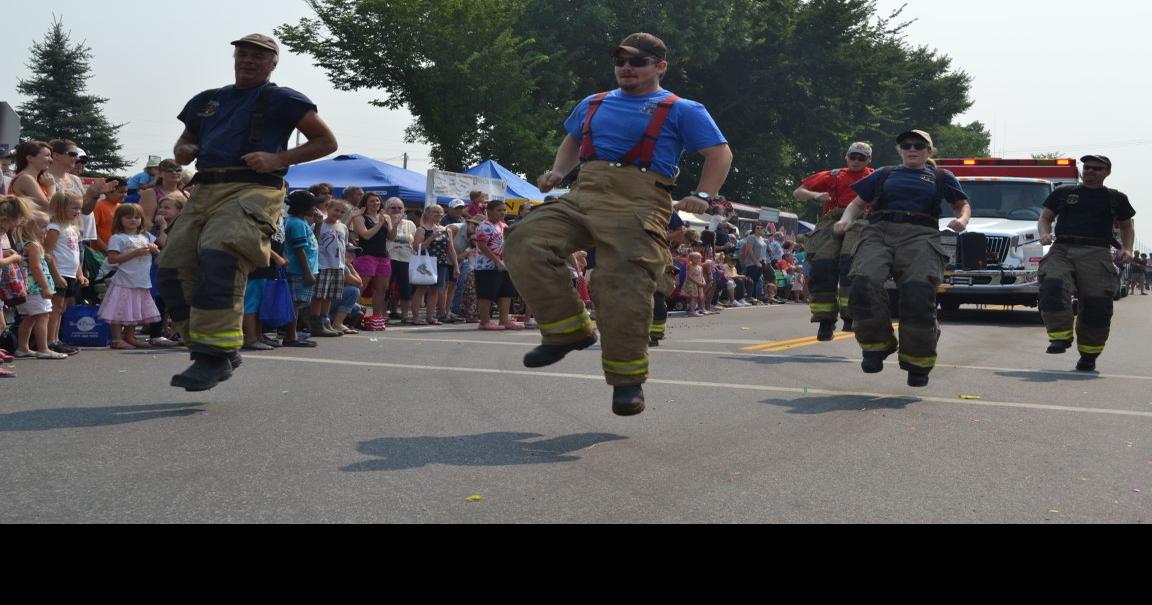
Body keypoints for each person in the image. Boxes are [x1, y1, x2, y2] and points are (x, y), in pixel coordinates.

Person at [506, 32, 732, 416]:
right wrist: (558, 173)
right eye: (620, 60)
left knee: (621, 284)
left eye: (638, 62)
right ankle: (567, 331)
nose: (627, 68)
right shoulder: (593, 102)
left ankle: (626, 381)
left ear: (659, 67)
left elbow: (719, 154)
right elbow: (572, 141)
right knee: (525, 240)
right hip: (584, 193)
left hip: (640, 200)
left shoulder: (682, 108)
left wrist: (705, 196)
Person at [160, 33, 338, 391]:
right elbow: (185, 139)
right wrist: (184, 149)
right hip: (204, 187)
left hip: (253, 187)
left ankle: (213, 355)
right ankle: (212, 349)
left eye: (259, 56)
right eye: (243, 53)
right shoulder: (208, 100)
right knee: (171, 268)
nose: (249, 60)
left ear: (273, 63)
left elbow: (327, 141)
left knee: (221, 254)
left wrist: (280, 158)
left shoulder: (284, 98)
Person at [834, 129, 970, 388]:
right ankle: (876, 346)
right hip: (879, 231)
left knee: (918, 292)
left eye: (919, 145)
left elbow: (961, 204)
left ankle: (917, 362)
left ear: (929, 151)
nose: (912, 149)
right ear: (899, 150)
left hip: (921, 235)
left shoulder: (941, 176)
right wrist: (845, 220)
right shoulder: (884, 174)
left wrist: (962, 219)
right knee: (863, 281)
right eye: (906, 145)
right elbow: (857, 203)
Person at [1037, 154, 1135, 372]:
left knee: (1097, 306)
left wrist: (1127, 249)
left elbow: (1127, 226)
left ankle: (1089, 355)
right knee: (1052, 286)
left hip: (1097, 253)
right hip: (1062, 248)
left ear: (1107, 172)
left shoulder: (1116, 198)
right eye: (1087, 167)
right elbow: (1045, 218)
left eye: (1097, 168)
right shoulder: (1064, 193)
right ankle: (1060, 338)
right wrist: (1044, 234)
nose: (1090, 171)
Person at [794, 142, 875, 340]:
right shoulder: (832, 175)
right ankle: (825, 321)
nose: (856, 161)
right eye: (853, 157)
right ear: (846, 157)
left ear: (869, 160)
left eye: (861, 158)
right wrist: (816, 195)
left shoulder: (875, 176)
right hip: (833, 221)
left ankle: (850, 317)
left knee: (849, 264)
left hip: (861, 221)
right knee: (822, 267)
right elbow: (798, 192)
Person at [100, 204, 162, 349]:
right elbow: (112, 259)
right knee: (118, 309)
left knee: (134, 309)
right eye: (128, 217)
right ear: (119, 219)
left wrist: (154, 249)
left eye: (136, 217)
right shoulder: (118, 238)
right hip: (124, 281)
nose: (133, 220)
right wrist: (134, 253)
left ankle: (130, 336)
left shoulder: (146, 236)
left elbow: (157, 249)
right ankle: (116, 339)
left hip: (141, 280)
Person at [11, 211, 68, 359]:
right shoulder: (34, 246)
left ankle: (23, 347)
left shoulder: (23, 244)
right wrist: (45, 287)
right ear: (30, 228)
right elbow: (36, 268)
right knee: (43, 316)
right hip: (35, 288)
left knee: (29, 317)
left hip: (26, 288)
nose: (46, 230)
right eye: (43, 226)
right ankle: (44, 348)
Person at [44, 191, 86, 355]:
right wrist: (56, 275)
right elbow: (48, 253)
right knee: (55, 307)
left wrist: (80, 274)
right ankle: (50, 340)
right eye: (74, 207)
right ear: (61, 207)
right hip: (59, 272)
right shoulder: (54, 227)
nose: (77, 211)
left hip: (70, 273)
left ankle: (56, 338)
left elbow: (75, 254)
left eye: (79, 208)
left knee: (61, 308)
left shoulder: (73, 228)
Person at [284, 190, 330, 338]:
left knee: (298, 303)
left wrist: (318, 225)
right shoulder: (296, 223)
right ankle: (290, 336)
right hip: (299, 270)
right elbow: (299, 250)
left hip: (305, 270)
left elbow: (312, 242)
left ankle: (293, 334)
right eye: (312, 206)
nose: (315, 209)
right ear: (303, 207)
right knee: (294, 304)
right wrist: (307, 272)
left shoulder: (301, 221)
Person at [474, 200, 522, 330]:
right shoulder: (484, 226)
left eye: (504, 210)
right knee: (486, 294)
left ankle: (504, 320)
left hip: (503, 265)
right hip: (486, 266)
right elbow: (482, 245)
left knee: (506, 293)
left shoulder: (502, 225)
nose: (502, 212)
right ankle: (484, 322)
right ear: (488, 212)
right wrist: (496, 261)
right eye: (499, 210)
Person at [412, 204, 459, 325]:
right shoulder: (422, 229)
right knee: (421, 289)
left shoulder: (446, 230)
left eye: (440, 212)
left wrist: (456, 265)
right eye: (435, 212)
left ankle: (430, 317)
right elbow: (417, 247)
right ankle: (416, 317)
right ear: (427, 214)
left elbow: (451, 249)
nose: (438, 215)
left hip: (441, 263)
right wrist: (432, 237)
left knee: (435, 290)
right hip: (426, 263)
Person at [311, 199, 350, 336]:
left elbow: (343, 246)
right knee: (319, 296)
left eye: (342, 212)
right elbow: (313, 242)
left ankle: (325, 320)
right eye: (336, 210)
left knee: (329, 296)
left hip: (337, 265)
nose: (339, 214)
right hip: (323, 264)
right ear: (328, 208)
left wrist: (344, 265)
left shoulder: (343, 227)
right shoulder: (319, 225)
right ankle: (316, 323)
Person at [351, 192, 392, 320]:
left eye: (377, 201)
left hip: (383, 256)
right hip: (367, 255)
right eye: (372, 201)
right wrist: (379, 224)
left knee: (381, 289)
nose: (376, 203)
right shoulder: (360, 217)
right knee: (360, 286)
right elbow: (365, 235)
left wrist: (394, 224)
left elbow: (390, 237)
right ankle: (353, 316)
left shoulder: (385, 217)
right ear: (365, 203)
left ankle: (377, 317)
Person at [384, 197, 417, 322]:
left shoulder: (410, 224)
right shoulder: (384, 222)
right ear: (386, 209)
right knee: (386, 288)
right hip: (389, 257)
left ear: (404, 210)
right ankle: (383, 314)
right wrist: (394, 223)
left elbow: (414, 242)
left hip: (406, 259)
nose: (396, 210)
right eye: (393, 207)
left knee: (405, 288)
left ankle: (405, 315)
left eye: (400, 208)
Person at [137, 159, 187, 229]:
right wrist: (161, 236)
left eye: (178, 170)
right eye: (169, 171)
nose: (174, 173)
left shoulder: (186, 194)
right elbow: (145, 220)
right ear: (160, 174)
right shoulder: (150, 193)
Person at [10, 141, 55, 210]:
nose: (51, 160)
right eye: (47, 156)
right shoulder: (25, 178)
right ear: (30, 158)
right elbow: (49, 206)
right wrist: (51, 186)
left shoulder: (33, 178)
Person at [331, 244, 365, 334]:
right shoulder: (340, 264)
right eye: (349, 251)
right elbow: (359, 283)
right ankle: (337, 324)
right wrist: (349, 266)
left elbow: (360, 283)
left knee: (357, 308)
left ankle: (332, 321)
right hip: (325, 301)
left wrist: (350, 266)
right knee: (354, 291)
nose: (353, 254)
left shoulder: (346, 266)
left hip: (331, 300)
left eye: (354, 252)